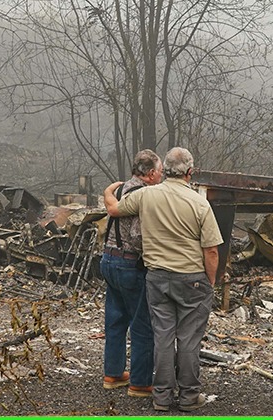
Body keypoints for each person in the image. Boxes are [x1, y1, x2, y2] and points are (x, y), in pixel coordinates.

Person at [103, 147, 223, 412]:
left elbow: (114, 210)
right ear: (190, 173)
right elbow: (212, 250)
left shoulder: (145, 195)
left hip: (156, 278)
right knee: (189, 339)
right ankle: (190, 397)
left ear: (165, 171)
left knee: (163, 337)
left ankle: (162, 397)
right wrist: (210, 282)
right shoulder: (200, 203)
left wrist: (108, 192)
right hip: (191, 278)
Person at [101, 149, 163, 397]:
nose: (161, 176)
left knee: (115, 321)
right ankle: (140, 382)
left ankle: (113, 374)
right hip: (129, 264)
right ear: (150, 174)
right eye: (159, 172)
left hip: (107, 260)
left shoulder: (118, 189)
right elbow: (138, 236)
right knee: (142, 324)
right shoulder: (145, 194)